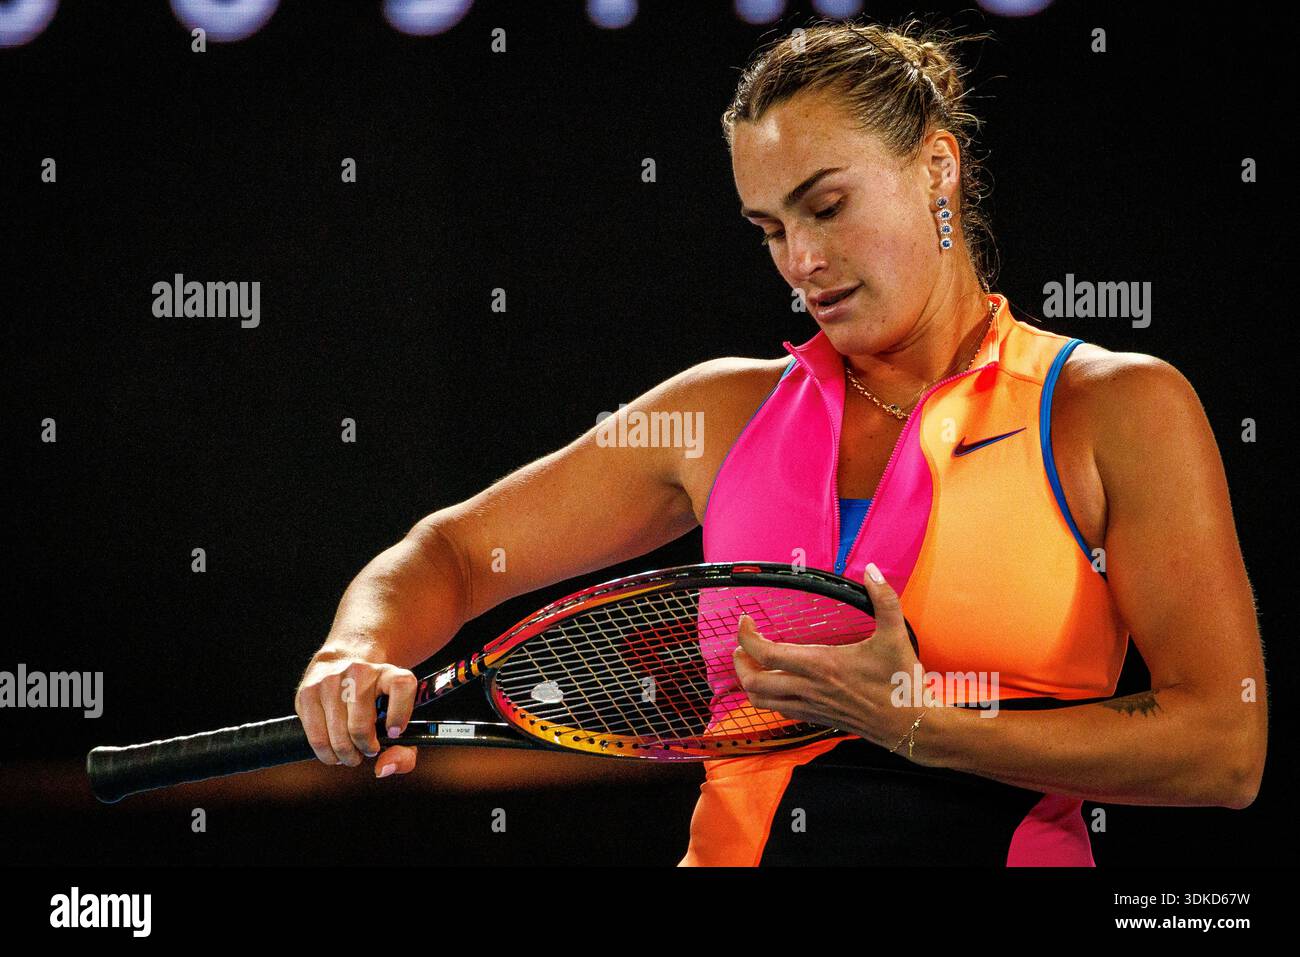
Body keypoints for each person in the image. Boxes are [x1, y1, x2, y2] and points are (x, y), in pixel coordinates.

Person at [293, 18, 1267, 865]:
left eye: (827, 205)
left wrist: (923, 726)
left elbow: (1223, 745)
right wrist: (354, 649)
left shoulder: (1115, 406)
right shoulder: (722, 412)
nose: (801, 261)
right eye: (768, 228)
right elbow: (452, 553)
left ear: (937, 168)